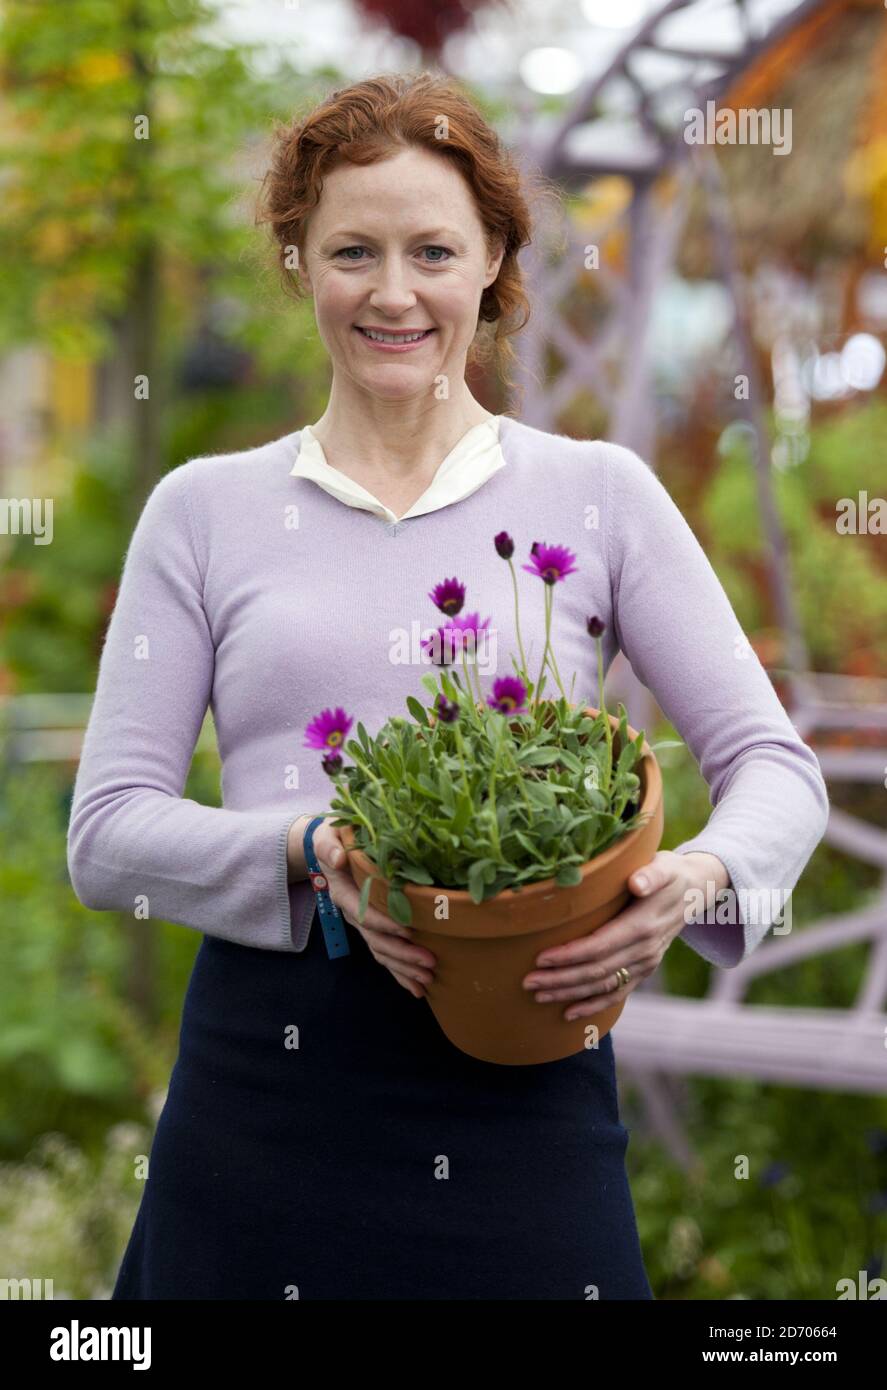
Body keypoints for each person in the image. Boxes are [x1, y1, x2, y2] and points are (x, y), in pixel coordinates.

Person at [66, 71, 829, 1300]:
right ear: (295, 261)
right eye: (350, 250)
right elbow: (106, 837)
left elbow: (773, 770)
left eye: (432, 249)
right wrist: (318, 847)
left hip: (525, 1064)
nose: (391, 291)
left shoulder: (598, 493)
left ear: (492, 261)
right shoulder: (202, 512)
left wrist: (689, 881)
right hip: (269, 1091)